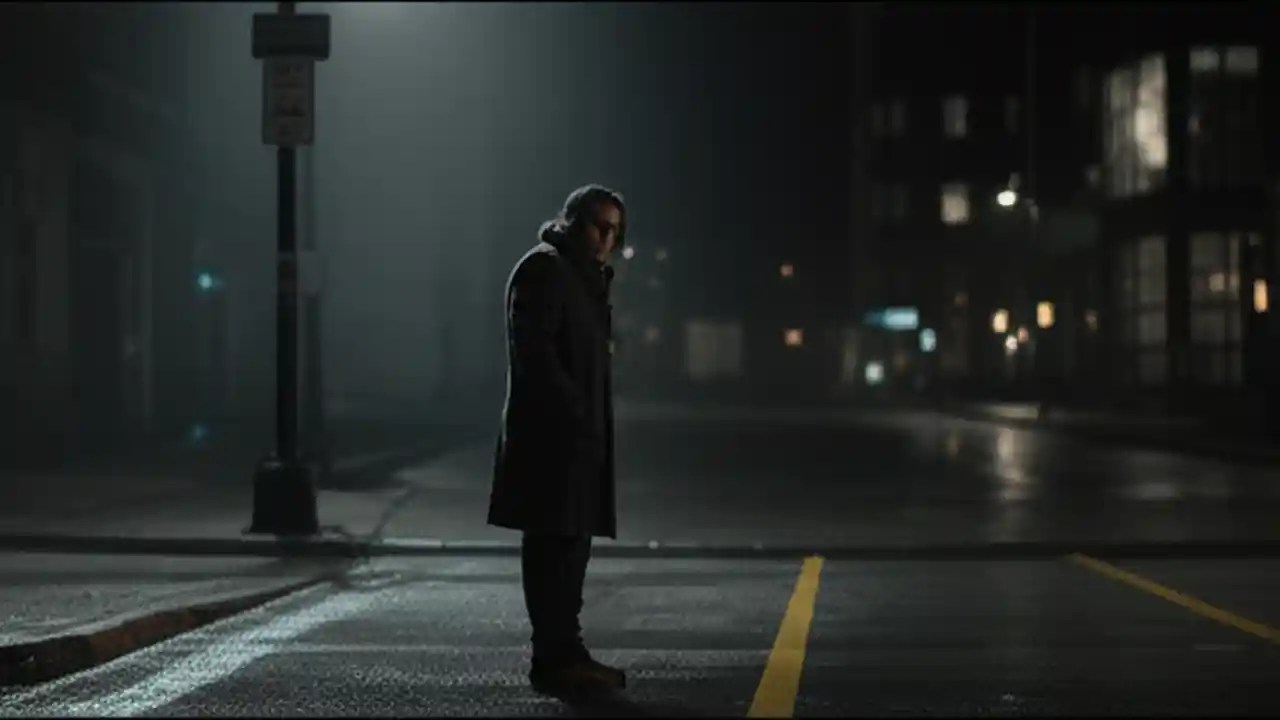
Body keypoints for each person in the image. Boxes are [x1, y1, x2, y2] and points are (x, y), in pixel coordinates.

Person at [488, 184, 627, 698]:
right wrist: (573, 411)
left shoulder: (583, 279)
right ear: (572, 221)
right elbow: (536, 355)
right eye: (598, 225)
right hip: (552, 440)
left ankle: (566, 652)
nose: (606, 238)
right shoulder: (544, 269)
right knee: (553, 546)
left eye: (614, 229)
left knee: (571, 546)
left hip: (577, 439)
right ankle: (553, 657)